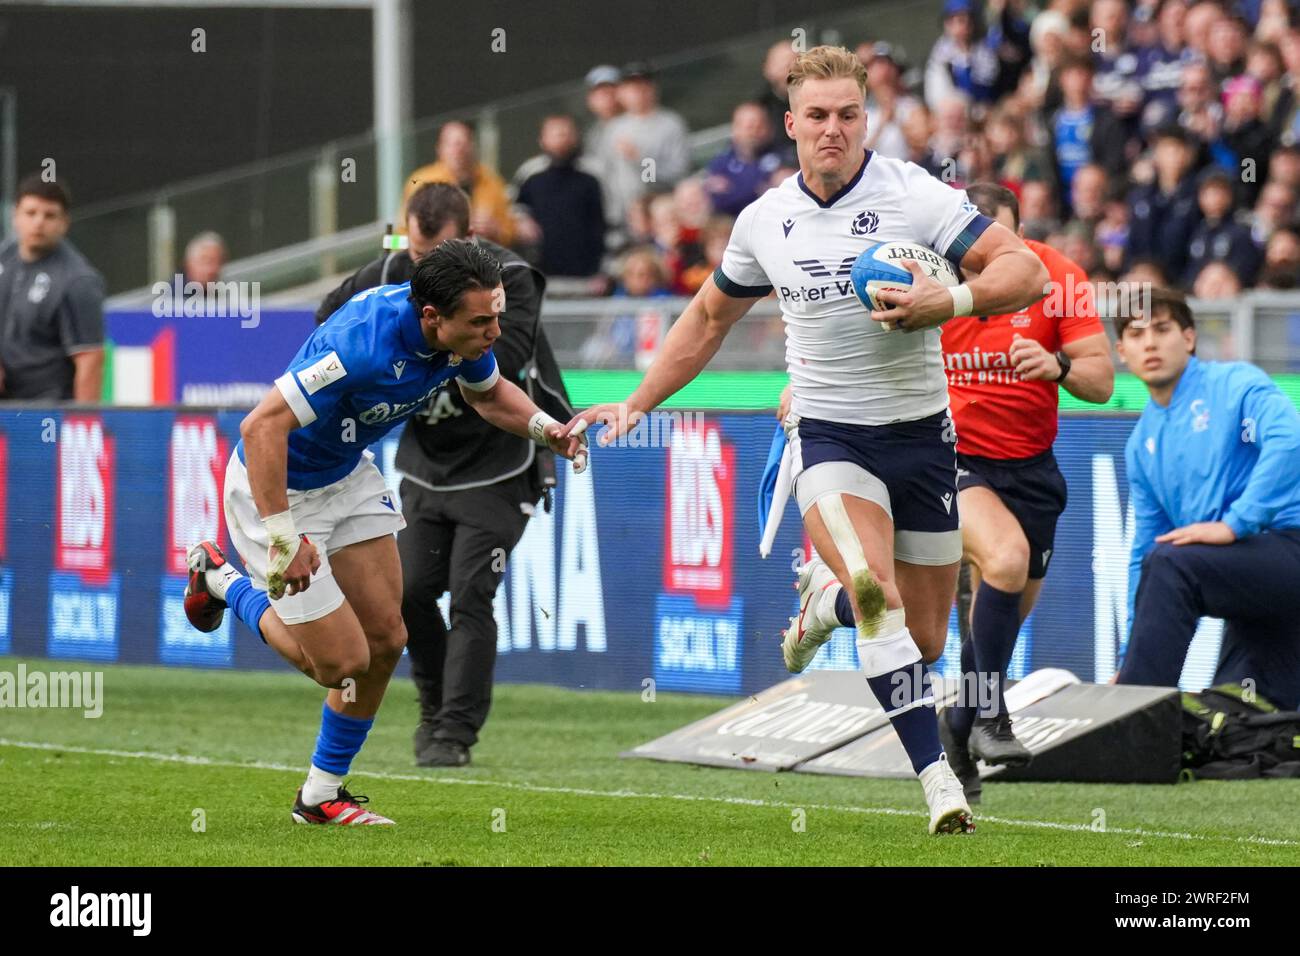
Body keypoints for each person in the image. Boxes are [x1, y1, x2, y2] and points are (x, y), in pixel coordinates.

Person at [567, 46, 1049, 835]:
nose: (833, 130)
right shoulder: (765, 220)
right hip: (827, 433)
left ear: (868, 118)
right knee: (876, 592)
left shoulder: (914, 194)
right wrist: (636, 399)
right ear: (790, 124)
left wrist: (949, 298)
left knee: (922, 636)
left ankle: (819, 606)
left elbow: (1023, 270)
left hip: (923, 438)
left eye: (848, 115)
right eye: (817, 116)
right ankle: (937, 782)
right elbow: (708, 319)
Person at [184, 239, 586, 824]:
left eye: (496, 315)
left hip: (347, 476)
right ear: (431, 318)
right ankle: (223, 581)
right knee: (338, 664)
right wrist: (282, 537)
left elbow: (490, 394)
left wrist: (546, 428)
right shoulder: (360, 344)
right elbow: (261, 427)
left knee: (387, 638)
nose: (494, 331)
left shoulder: (461, 328)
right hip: (277, 490)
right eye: (481, 321)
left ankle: (321, 796)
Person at [316, 183, 572, 768]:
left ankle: (454, 733)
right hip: (427, 467)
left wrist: (414, 345)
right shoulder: (387, 272)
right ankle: (433, 709)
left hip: (501, 464)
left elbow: (498, 364)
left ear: (470, 236)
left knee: (472, 594)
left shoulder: (512, 280)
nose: (424, 270)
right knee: (407, 592)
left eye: (438, 257)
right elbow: (327, 320)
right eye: (416, 256)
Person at [938, 182, 1114, 802]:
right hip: (951, 463)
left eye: (1005, 244)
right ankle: (991, 717)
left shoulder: (1057, 278)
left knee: (995, 630)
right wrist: (804, 388)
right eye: (976, 246)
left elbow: (1102, 381)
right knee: (1005, 560)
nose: (990, 258)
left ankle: (958, 725)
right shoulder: (926, 282)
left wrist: (1058, 367)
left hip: (1032, 470)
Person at [1115, 288, 1300, 710]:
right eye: (1136, 334)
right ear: (1122, 351)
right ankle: (1136, 694)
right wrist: (1130, 659)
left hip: (1288, 548)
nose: (1150, 343)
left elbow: (1290, 442)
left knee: (1171, 565)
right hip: (1255, 588)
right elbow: (1146, 550)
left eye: (1162, 329)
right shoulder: (1141, 443)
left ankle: (1135, 719)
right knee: (1249, 719)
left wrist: (1236, 523)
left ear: (1189, 338)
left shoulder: (1235, 383)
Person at [0, 175, 104, 402]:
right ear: (15, 216)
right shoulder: (4, 257)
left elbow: (90, 359)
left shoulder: (77, 280)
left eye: (49, 215)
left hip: (45, 408)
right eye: (31, 213)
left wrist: (83, 424)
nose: (38, 223)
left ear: (64, 223)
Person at [516, 114, 607, 278]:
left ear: (576, 138)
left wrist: (606, 269)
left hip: (589, 276)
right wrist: (521, 220)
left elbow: (611, 219)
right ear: (542, 140)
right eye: (556, 134)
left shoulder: (595, 173)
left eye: (566, 133)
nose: (562, 140)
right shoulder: (529, 172)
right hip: (541, 274)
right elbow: (513, 207)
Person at [403, 121, 515, 246]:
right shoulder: (421, 182)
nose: (458, 150)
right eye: (451, 144)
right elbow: (393, 241)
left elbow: (510, 233)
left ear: (473, 146)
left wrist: (496, 231)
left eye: (463, 143)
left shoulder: (492, 181)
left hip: (482, 259)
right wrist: (426, 242)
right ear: (439, 149)